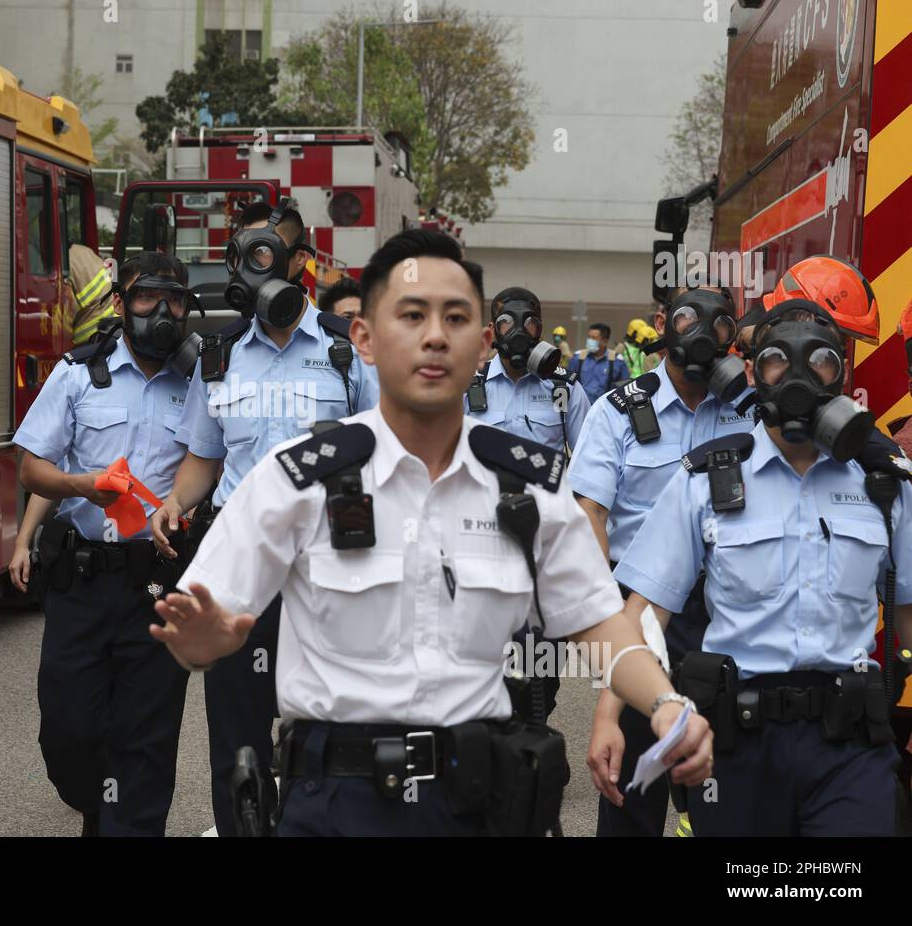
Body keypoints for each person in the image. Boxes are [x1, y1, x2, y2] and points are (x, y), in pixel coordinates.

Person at [147, 228, 713, 836]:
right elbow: (206, 616)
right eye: (411, 315)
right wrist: (200, 644)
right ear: (363, 336)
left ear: (484, 342)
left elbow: (601, 622)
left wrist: (665, 702)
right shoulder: (295, 480)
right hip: (335, 805)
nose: (435, 335)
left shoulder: (527, 487)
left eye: (456, 317)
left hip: (478, 802)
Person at [611, 298, 910, 835]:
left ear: (841, 373)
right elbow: (643, 616)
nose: (798, 378)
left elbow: (909, 616)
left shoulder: (883, 483)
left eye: (819, 361)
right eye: (777, 360)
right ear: (752, 372)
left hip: (850, 747)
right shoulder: (706, 478)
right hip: (738, 744)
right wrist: (609, 718)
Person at [149, 199, 379, 835]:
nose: (254, 269)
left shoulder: (344, 351)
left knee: (331, 723)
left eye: (265, 253)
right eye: (241, 258)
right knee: (236, 734)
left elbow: (386, 447)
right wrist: (175, 501)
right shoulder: (219, 358)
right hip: (242, 564)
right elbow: (204, 455)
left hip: (331, 564)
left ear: (298, 264)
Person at [14, 251, 200, 836]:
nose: (162, 311)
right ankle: (95, 802)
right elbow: (31, 467)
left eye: (175, 300)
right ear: (120, 303)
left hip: (157, 581)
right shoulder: (77, 372)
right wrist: (81, 487)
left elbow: (212, 459)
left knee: (146, 737)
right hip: (83, 581)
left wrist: (182, 505)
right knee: (69, 731)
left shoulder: (202, 381)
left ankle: (126, 821)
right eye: (149, 297)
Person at [571, 285, 755, 837]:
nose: (704, 332)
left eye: (722, 324)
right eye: (686, 318)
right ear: (660, 323)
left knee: (728, 789)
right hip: (644, 614)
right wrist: (607, 610)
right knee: (632, 788)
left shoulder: (753, 412)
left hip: (730, 616)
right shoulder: (618, 410)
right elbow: (590, 513)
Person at [465, 286, 588, 454]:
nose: (518, 332)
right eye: (507, 322)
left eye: (529, 323)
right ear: (493, 330)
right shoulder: (467, 386)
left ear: (539, 330)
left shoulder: (565, 388)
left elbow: (587, 457)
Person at [569, 322, 627, 402]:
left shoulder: (617, 361)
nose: (590, 341)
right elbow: (569, 384)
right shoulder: (578, 358)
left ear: (605, 341)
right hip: (581, 408)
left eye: (594, 338)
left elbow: (624, 389)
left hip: (605, 409)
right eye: (589, 337)